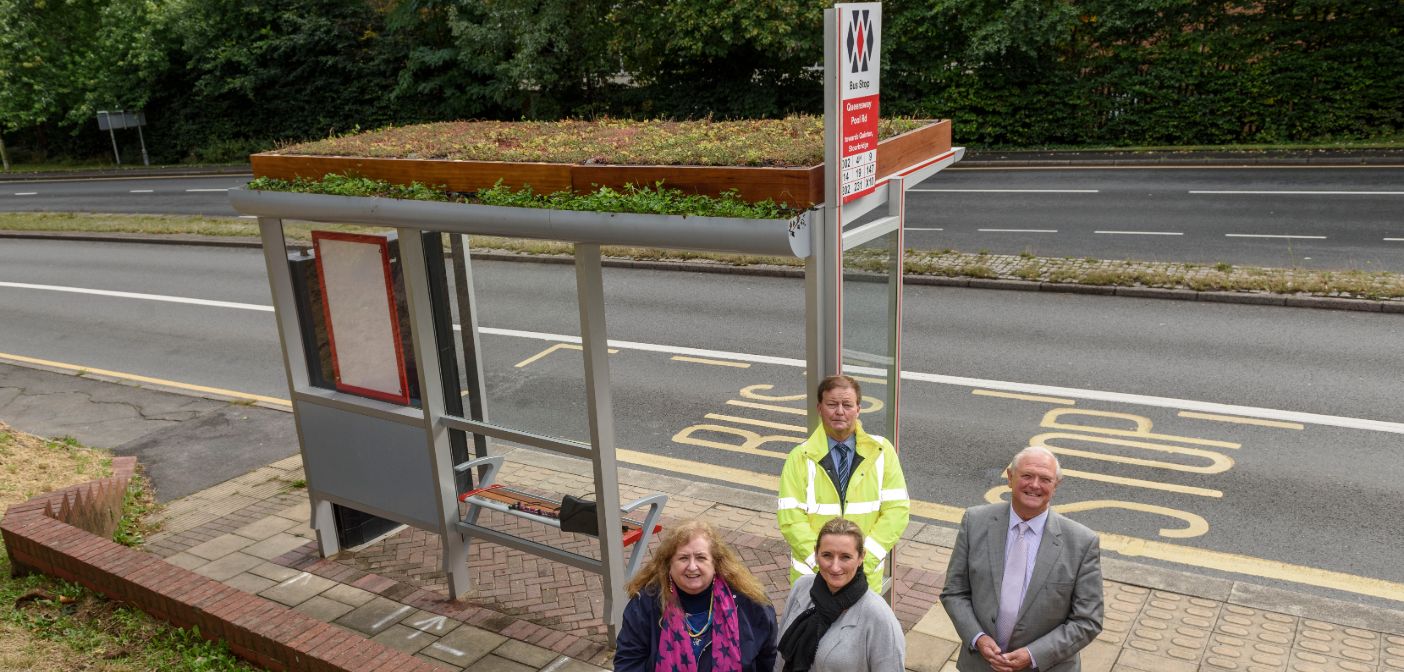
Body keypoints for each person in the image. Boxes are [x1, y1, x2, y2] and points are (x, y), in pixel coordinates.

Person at [941, 446, 1103, 672]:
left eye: (1045, 479)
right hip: (980, 664)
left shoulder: (1082, 542)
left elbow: (1087, 621)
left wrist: (1033, 655)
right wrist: (976, 637)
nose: (1034, 485)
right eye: (1027, 475)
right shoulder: (974, 522)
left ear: (1056, 485)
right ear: (1009, 477)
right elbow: (955, 591)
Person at [777, 375, 909, 592]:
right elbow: (791, 520)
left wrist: (860, 563)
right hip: (813, 581)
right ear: (820, 408)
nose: (840, 411)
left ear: (858, 409)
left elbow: (897, 511)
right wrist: (826, 566)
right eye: (832, 404)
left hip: (863, 580)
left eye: (847, 405)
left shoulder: (883, 451)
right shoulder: (799, 457)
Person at [615, 520, 778, 672]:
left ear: (715, 563)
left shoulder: (751, 602)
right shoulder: (646, 603)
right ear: (668, 565)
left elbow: (766, 659)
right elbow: (628, 663)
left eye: (701, 558)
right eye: (683, 558)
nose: (692, 567)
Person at [775, 517, 905, 672]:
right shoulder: (801, 588)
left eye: (845, 557)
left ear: (861, 557)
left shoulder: (879, 617)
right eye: (827, 555)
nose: (835, 567)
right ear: (816, 554)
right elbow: (778, 660)